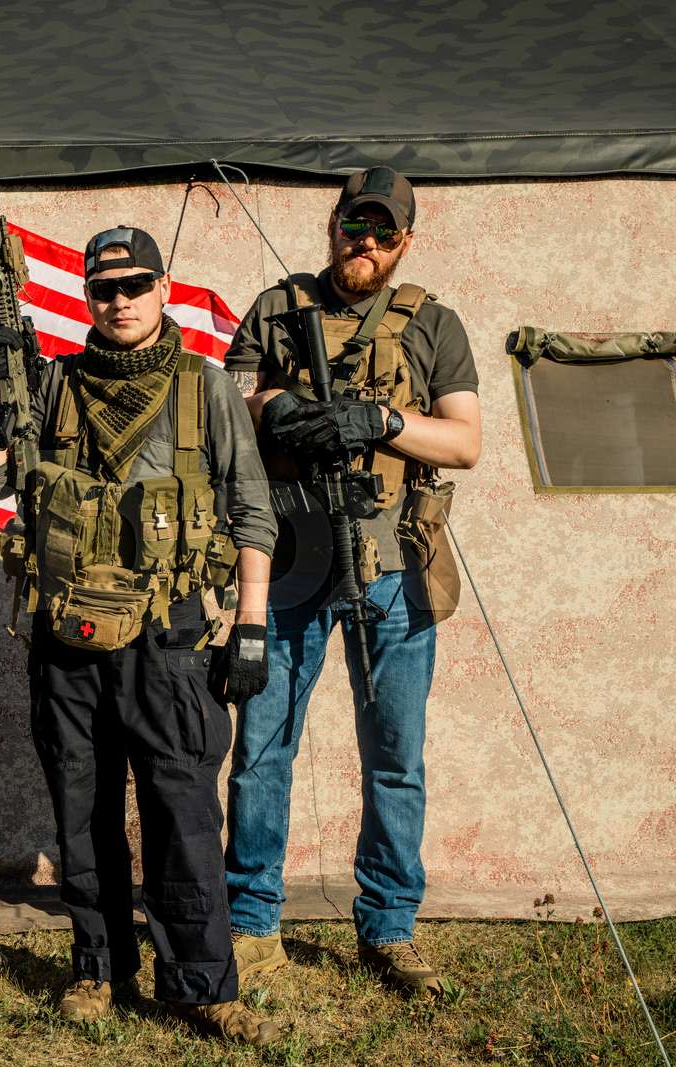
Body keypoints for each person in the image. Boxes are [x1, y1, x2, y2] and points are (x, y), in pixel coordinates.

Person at [0, 226, 279, 1042]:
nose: (120, 301)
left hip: (170, 633)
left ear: (163, 286)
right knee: (83, 805)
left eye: (135, 285)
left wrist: (250, 625)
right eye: (105, 288)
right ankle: (97, 967)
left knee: (182, 808)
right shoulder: (54, 385)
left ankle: (201, 981)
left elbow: (252, 510)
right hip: (67, 633)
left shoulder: (205, 387)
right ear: (87, 295)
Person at [222, 166, 481, 996]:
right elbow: (228, 410)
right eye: (349, 225)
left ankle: (390, 925)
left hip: (396, 568)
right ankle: (251, 921)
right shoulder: (275, 308)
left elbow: (466, 442)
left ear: (405, 240)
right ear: (331, 225)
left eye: (379, 230)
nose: (360, 242)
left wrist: (385, 421)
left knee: (396, 757)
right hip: (291, 559)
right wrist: (278, 410)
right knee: (262, 751)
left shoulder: (433, 323)